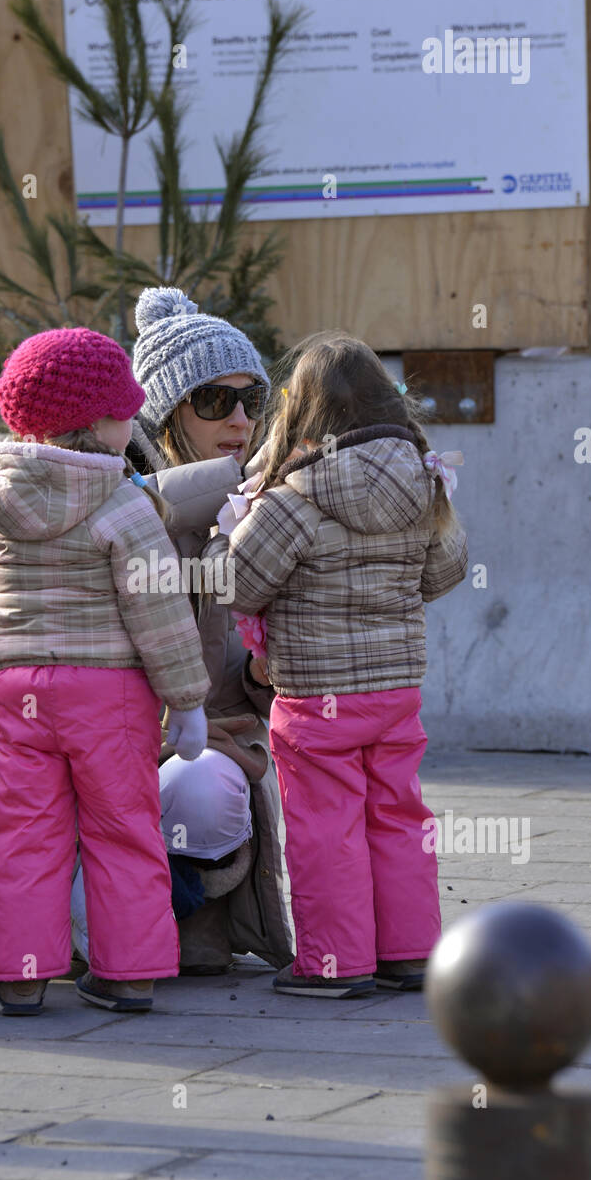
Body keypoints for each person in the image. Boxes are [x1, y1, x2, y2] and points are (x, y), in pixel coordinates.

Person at [0, 326, 211, 1016]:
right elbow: (159, 614)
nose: (131, 423)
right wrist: (186, 702)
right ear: (96, 422)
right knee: (123, 826)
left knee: (26, 829)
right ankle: (128, 973)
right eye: (124, 412)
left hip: (18, 690)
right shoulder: (124, 505)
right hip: (109, 694)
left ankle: (22, 975)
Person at [204, 332, 468, 997]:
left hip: (317, 696)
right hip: (395, 691)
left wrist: (222, 528)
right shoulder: (423, 480)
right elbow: (441, 572)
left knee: (327, 826)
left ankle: (333, 964)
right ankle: (408, 953)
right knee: (399, 817)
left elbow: (237, 583)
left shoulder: (293, 496)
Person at [127, 286, 293, 974]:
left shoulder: (272, 509)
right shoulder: (114, 505)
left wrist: (266, 676)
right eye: (212, 400)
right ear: (166, 411)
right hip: (109, 736)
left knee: (203, 786)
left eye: (252, 400)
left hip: (215, 739)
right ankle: (122, 906)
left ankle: (193, 903)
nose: (239, 419)